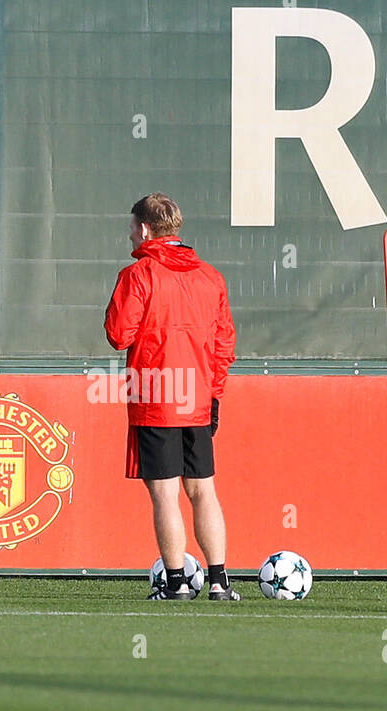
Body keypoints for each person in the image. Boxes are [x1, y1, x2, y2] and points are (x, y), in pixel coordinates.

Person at [104, 193, 238, 600]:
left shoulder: (139, 275)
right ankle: (219, 582)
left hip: (155, 397)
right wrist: (213, 395)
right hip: (197, 398)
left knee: (164, 493)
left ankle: (177, 583)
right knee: (203, 491)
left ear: (145, 228)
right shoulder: (210, 276)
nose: (129, 234)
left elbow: (117, 335)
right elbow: (224, 344)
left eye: (131, 226)